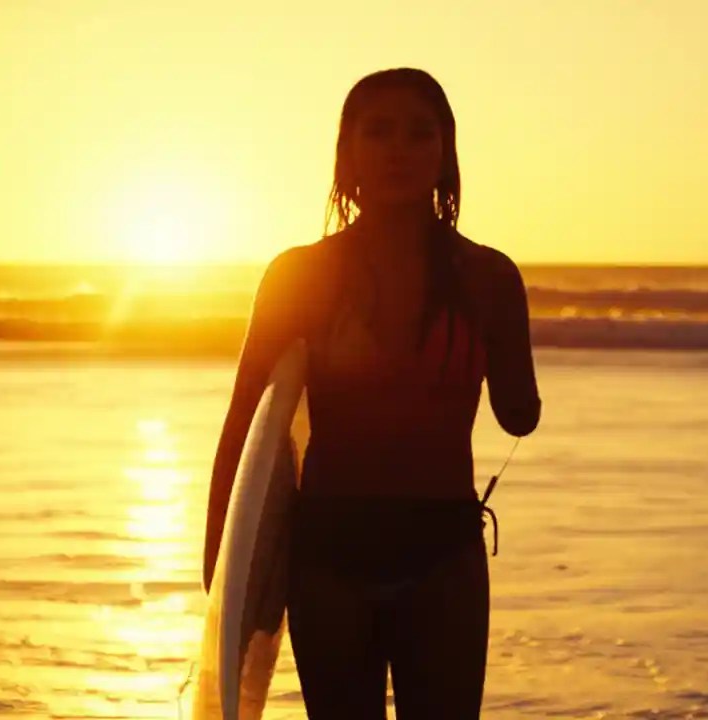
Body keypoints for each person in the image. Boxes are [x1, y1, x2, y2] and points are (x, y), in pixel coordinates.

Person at [203, 67, 542, 719]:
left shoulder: (489, 277)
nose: (398, 149)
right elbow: (246, 423)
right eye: (378, 131)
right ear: (347, 151)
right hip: (329, 557)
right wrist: (221, 572)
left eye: (419, 134)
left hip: (441, 556)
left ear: (446, 153)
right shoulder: (301, 275)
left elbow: (514, 411)